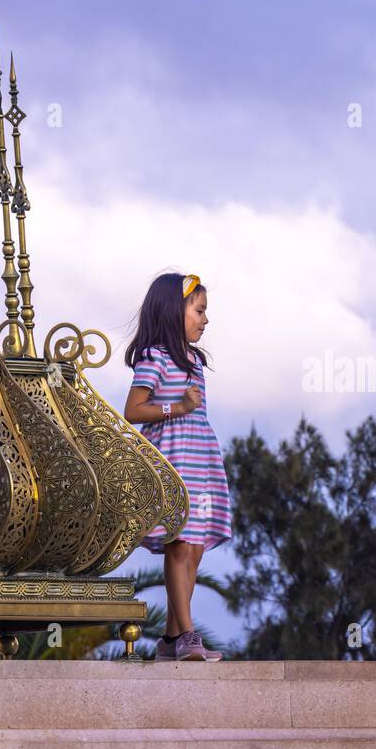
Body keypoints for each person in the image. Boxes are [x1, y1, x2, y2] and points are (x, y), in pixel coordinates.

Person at [123, 272, 233, 662]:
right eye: (199, 311)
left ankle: (171, 639)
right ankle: (187, 634)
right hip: (171, 465)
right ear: (174, 311)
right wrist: (178, 407)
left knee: (195, 548)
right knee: (179, 544)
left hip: (198, 462)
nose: (205, 320)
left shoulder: (194, 361)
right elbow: (133, 410)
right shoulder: (156, 358)